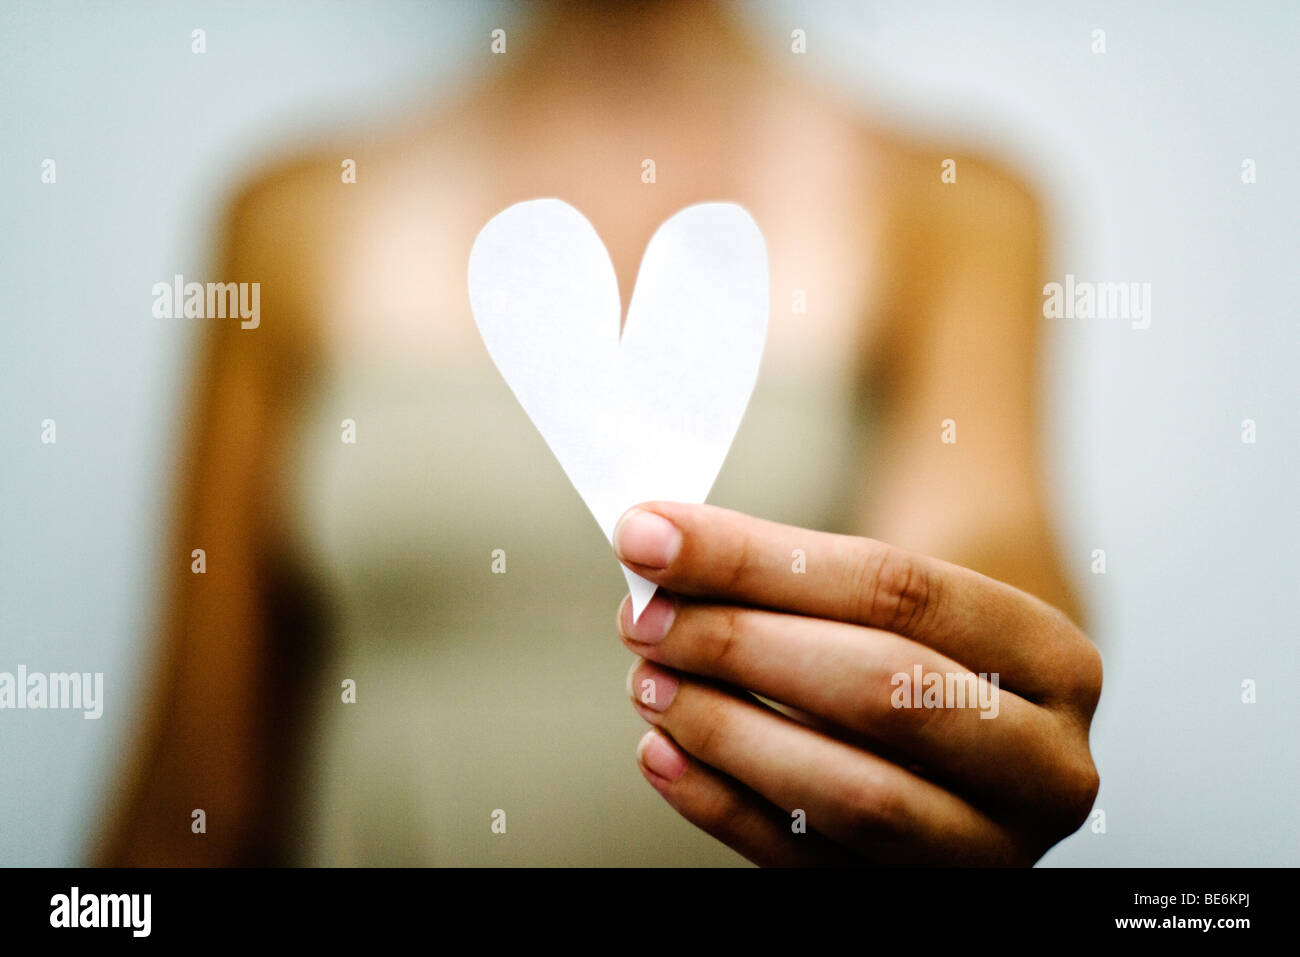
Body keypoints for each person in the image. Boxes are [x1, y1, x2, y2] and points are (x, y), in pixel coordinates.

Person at [97, 0, 1100, 866]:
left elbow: (981, 550)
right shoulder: (292, 217)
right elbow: (193, 807)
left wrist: (985, 700)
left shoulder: (953, 206)